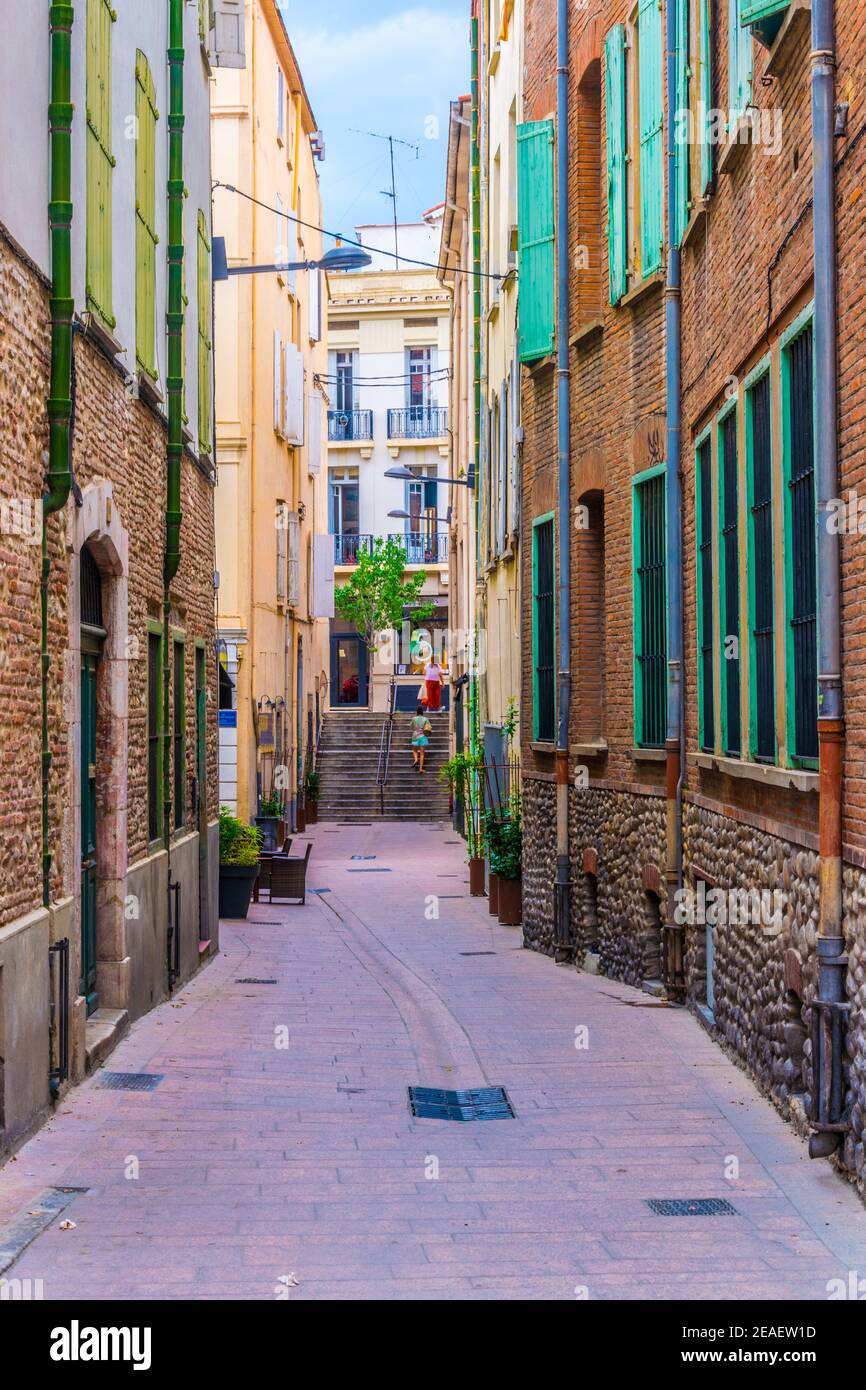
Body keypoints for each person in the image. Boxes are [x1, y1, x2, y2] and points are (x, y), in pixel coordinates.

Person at [410, 704, 433, 773]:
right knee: (422, 753)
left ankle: (416, 759)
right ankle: (420, 769)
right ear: (422, 712)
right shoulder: (426, 719)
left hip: (415, 736)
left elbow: (411, 726)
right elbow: (429, 727)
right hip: (423, 736)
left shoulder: (414, 719)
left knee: (414, 750)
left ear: (417, 712)